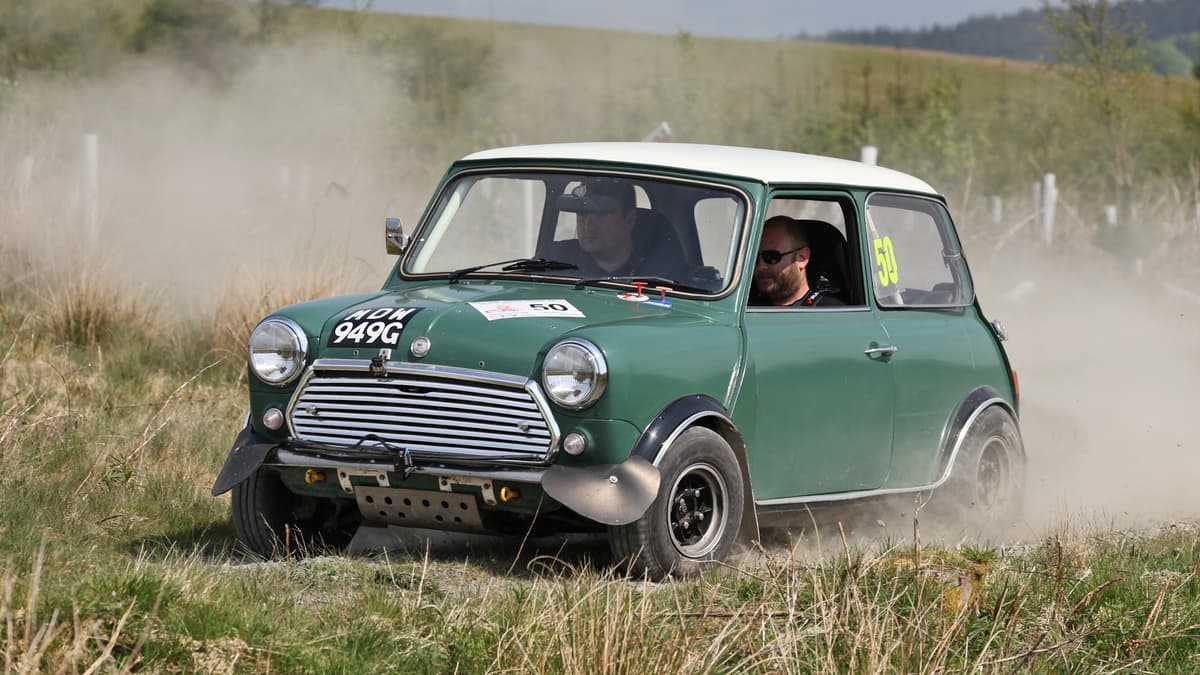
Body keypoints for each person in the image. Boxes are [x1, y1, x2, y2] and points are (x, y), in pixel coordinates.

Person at [549, 178, 688, 280]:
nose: (588, 225)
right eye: (582, 213)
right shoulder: (553, 260)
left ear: (629, 220)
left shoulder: (665, 276)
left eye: (601, 214)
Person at [751, 215, 843, 307]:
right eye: (755, 258)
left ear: (802, 258)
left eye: (771, 257)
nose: (760, 266)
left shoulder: (829, 312)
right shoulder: (746, 309)